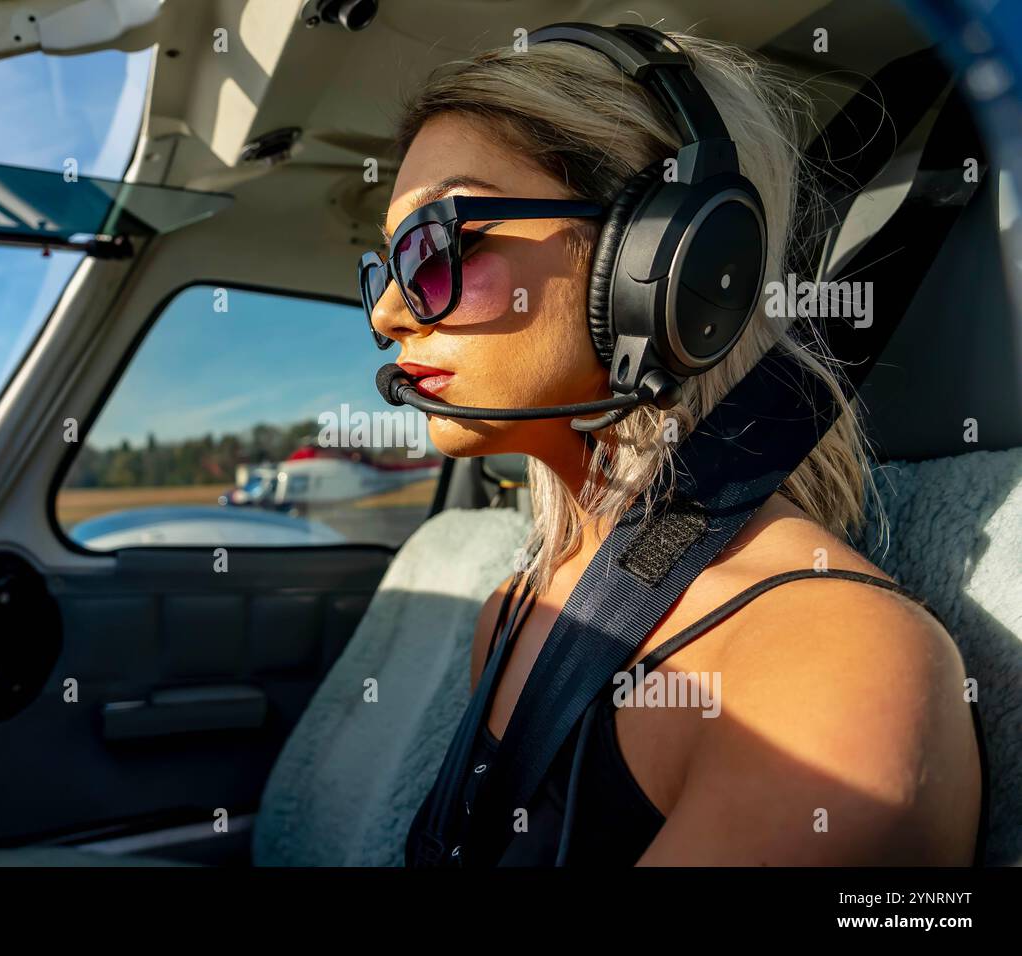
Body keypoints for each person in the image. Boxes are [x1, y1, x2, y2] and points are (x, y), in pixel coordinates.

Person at [359, 28, 986, 865]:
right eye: (387, 266)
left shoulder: (826, 668)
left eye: (438, 245)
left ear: (655, 257)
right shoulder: (513, 610)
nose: (387, 314)